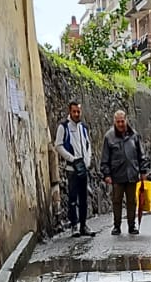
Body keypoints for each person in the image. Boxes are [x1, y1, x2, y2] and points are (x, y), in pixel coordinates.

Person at [100, 109, 146, 236]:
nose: (120, 124)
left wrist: (143, 171)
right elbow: (105, 158)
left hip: (132, 173)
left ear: (126, 120)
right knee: (117, 201)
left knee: (132, 201)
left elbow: (141, 154)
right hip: (117, 175)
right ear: (114, 122)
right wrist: (106, 174)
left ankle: (132, 226)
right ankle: (117, 226)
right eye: (118, 121)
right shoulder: (109, 137)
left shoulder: (134, 135)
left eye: (122, 121)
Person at [56, 101, 92, 236]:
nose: (76, 114)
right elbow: (58, 146)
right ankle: (74, 226)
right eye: (74, 111)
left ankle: (84, 225)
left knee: (83, 198)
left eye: (78, 111)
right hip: (72, 169)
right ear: (70, 111)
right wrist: (72, 159)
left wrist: (87, 160)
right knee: (72, 198)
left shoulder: (83, 127)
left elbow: (88, 145)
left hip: (83, 167)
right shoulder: (63, 127)